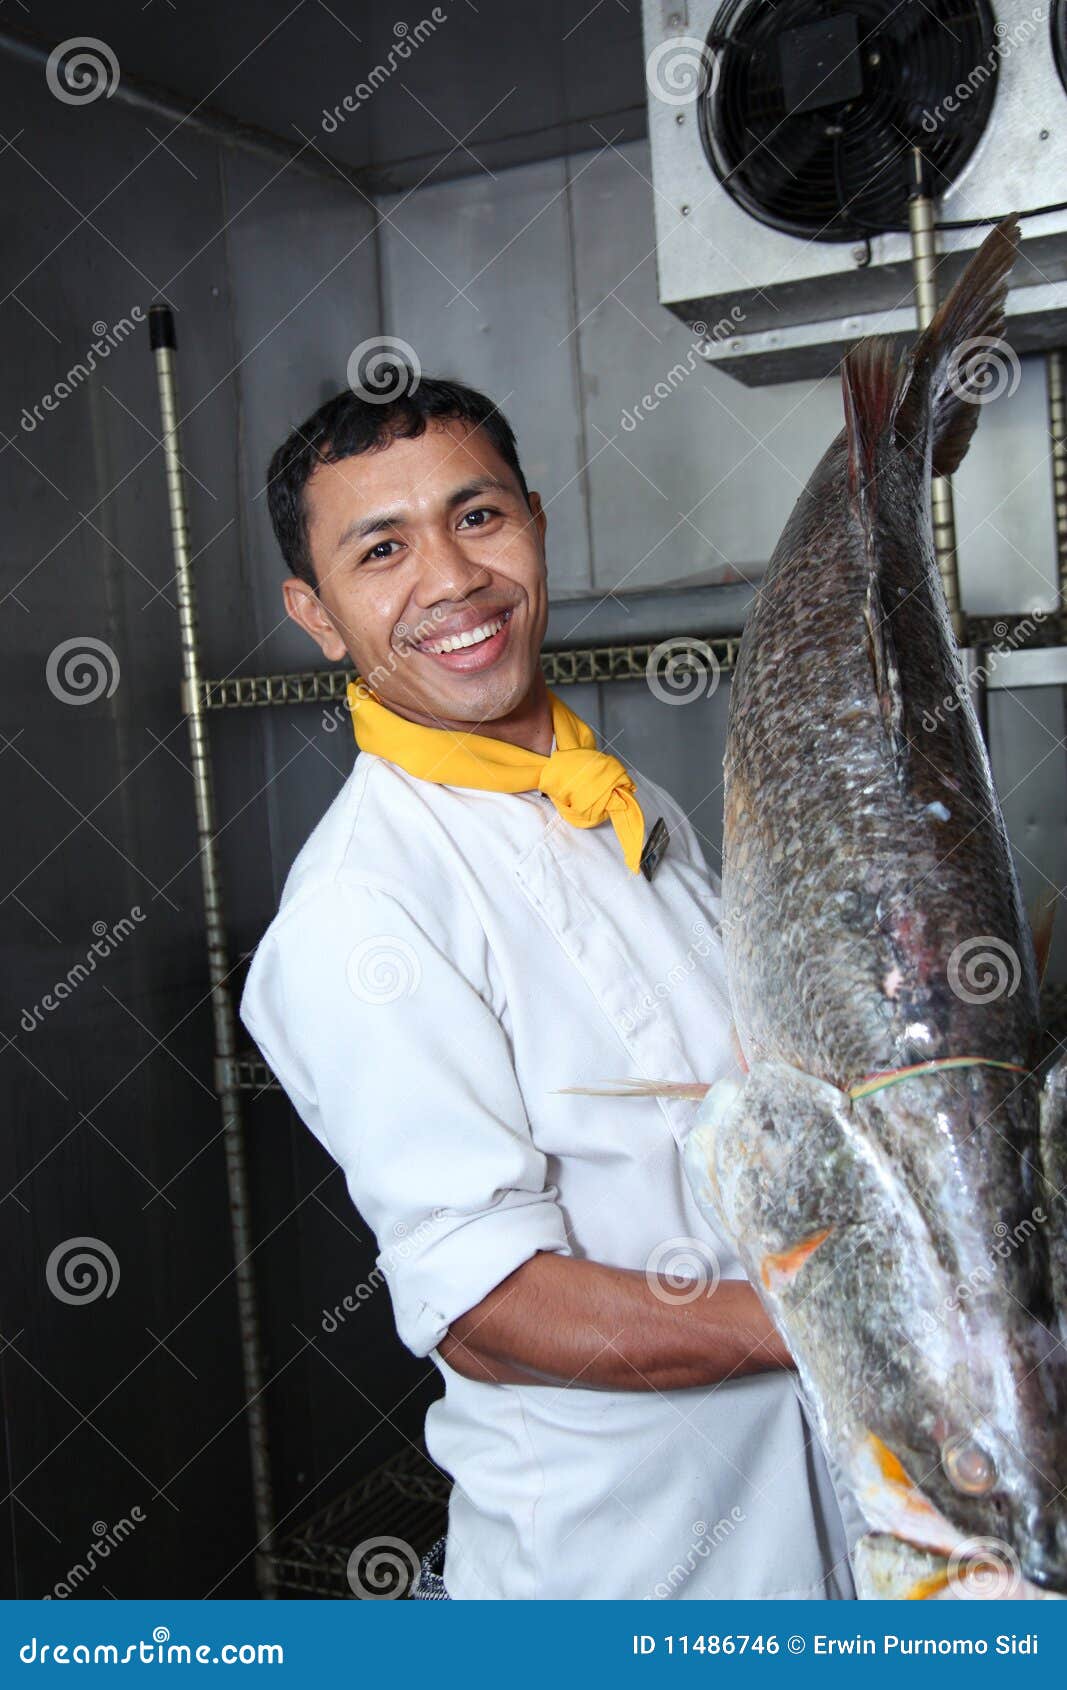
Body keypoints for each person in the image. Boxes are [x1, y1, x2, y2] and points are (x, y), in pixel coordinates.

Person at [238, 372, 856, 1601]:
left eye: (476, 518)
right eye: (381, 549)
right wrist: (843, 1325)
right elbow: (490, 1309)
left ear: (532, 520)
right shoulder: (365, 903)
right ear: (315, 612)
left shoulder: (621, 799)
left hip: (829, 1528)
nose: (452, 581)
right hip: (621, 1576)